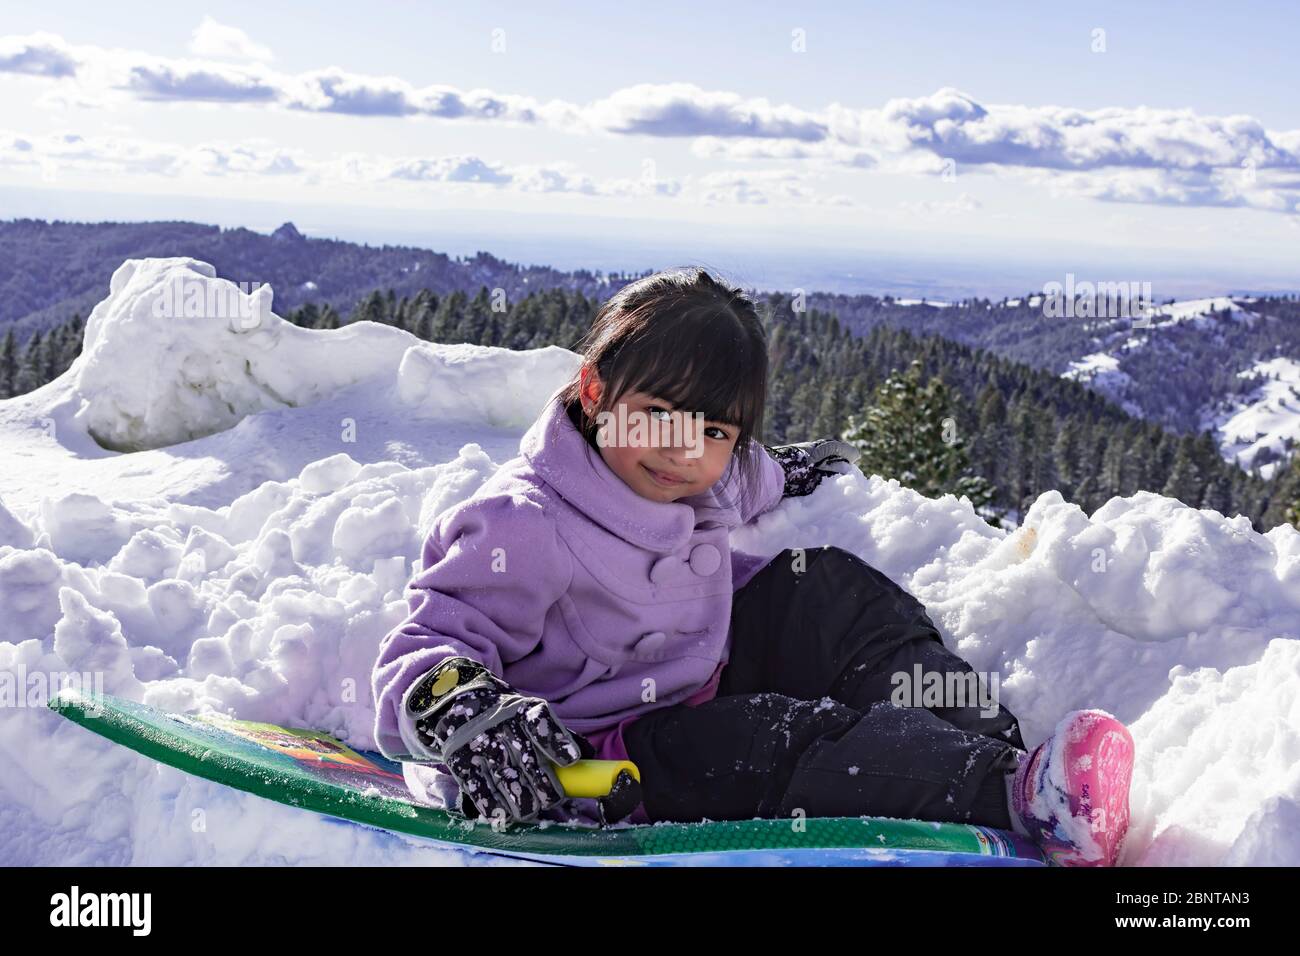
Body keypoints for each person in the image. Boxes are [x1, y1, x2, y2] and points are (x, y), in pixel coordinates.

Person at [370, 266, 1134, 866]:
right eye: (659, 415)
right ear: (597, 391)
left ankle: (999, 752)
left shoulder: (706, 467)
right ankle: (1006, 795)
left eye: (715, 430)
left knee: (829, 588)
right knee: (778, 743)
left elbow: (752, 474)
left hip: (704, 669)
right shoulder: (524, 522)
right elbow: (425, 644)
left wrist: (796, 471)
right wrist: (466, 714)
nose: (683, 450)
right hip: (600, 761)